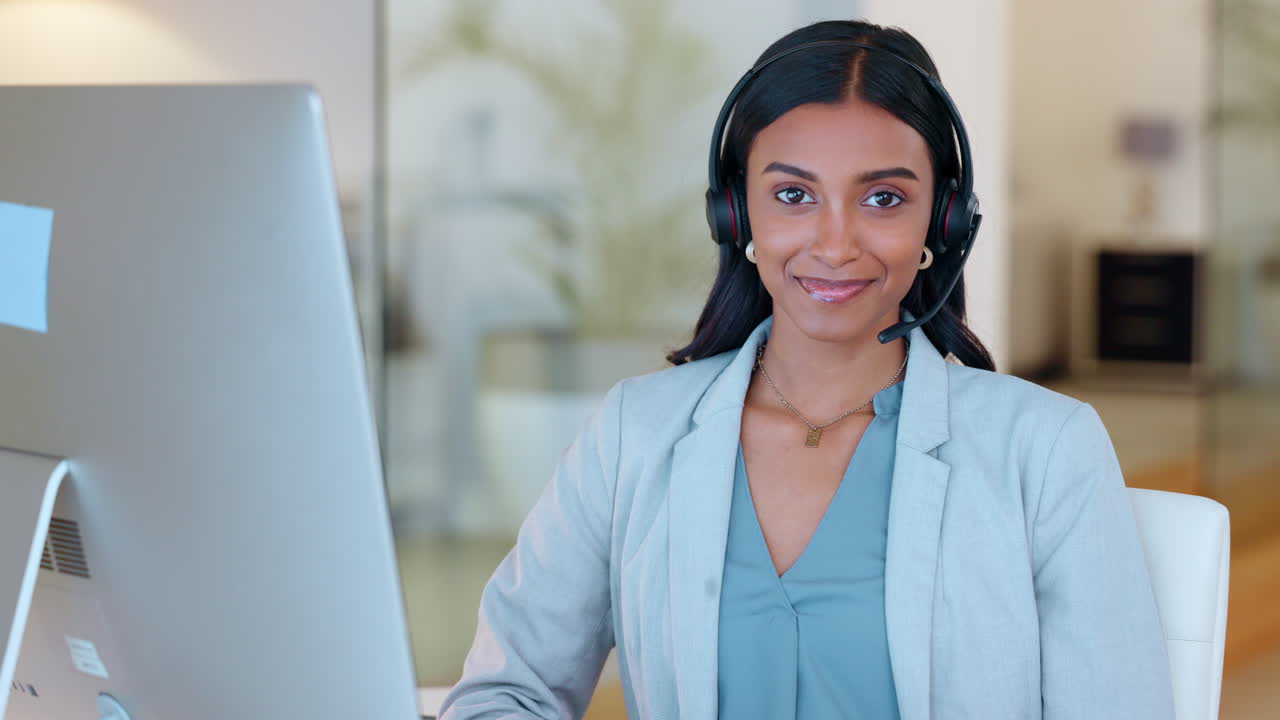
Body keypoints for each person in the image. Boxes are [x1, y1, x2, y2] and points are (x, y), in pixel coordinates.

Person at [440, 19, 1174, 720]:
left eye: (883, 198)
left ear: (943, 219)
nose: (835, 244)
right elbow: (503, 692)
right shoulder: (634, 433)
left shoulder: (1044, 450)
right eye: (793, 195)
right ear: (737, 214)